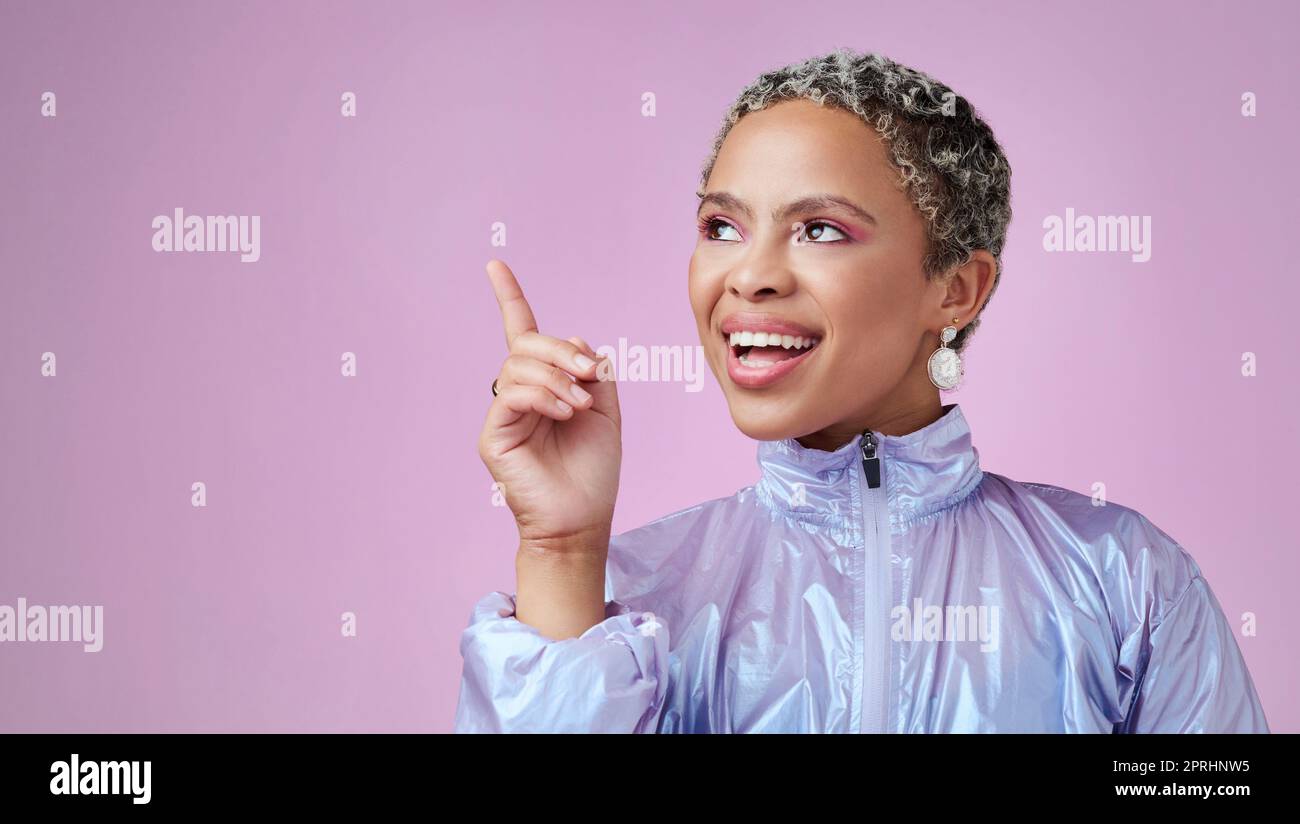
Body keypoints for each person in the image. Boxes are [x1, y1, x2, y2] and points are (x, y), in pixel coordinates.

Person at [453, 48, 1269, 733]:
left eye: (819, 230)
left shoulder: (1125, 581)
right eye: (722, 227)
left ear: (957, 289)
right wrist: (560, 553)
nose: (751, 275)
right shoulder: (630, 609)